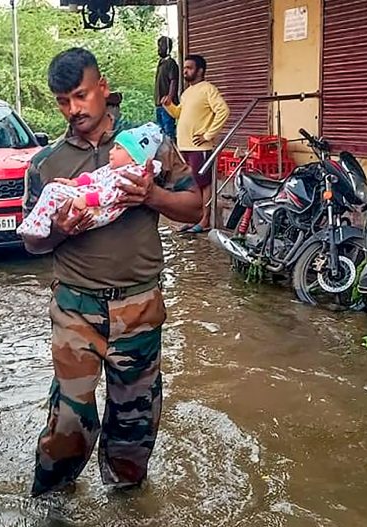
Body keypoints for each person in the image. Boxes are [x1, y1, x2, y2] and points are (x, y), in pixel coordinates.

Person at [21, 48, 200, 497]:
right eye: (62, 101)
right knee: (69, 419)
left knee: (134, 421)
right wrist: (58, 231)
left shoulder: (148, 145)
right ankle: (52, 509)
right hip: (75, 306)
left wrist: (151, 195)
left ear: (103, 88)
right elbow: (31, 240)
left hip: (139, 305)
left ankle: (127, 518)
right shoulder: (47, 164)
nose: (73, 109)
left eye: (80, 95)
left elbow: (196, 208)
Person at [18, 123, 165, 243]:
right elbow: (94, 176)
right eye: (114, 147)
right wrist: (75, 183)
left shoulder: (130, 175)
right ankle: (37, 225)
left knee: (52, 190)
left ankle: (38, 225)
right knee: (56, 197)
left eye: (118, 148)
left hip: (100, 210)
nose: (111, 152)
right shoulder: (113, 169)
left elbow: (109, 195)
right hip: (91, 206)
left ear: (134, 158)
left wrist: (85, 199)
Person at [163, 54, 229, 234]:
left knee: (203, 184)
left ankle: (205, 220)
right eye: (184, 68)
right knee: (191, 184)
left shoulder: (208, 89)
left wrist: (208, 135)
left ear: (200, 71)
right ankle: (194, 218)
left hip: (200, 147)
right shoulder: (186, 93)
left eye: (189, 68)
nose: (185, 71)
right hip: (184, 146)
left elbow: (223, 110)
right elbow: (179, 114)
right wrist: (169, 106)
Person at [155, 36, 179, 141]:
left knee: (168, 131)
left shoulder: (171, 63)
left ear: (168, 48)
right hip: (159, 104)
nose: (159, 49)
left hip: (167, 105)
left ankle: (172, 154)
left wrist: (170, 97)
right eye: (158, 46)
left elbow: (173, 80)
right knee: (161, 132)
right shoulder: (161, 63)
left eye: (162, 46)